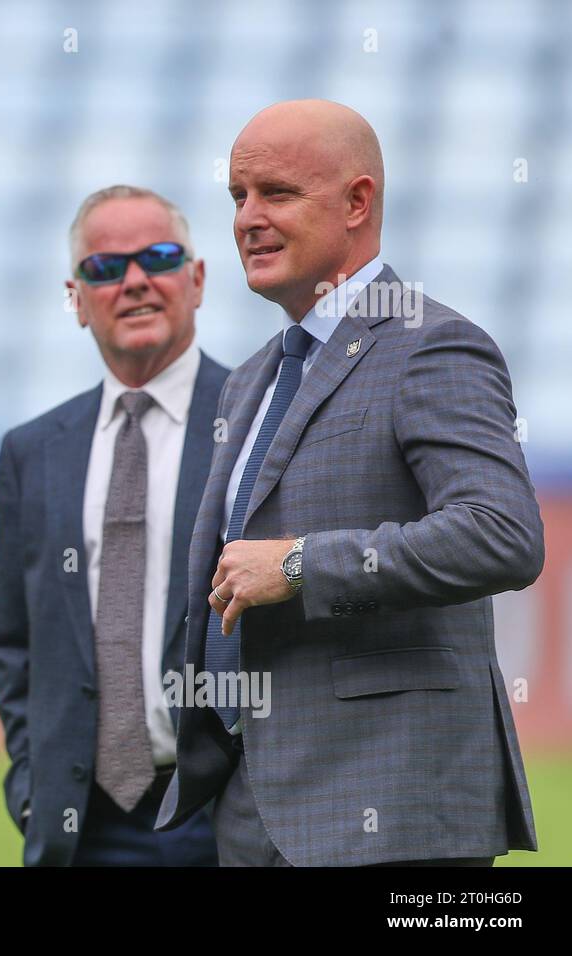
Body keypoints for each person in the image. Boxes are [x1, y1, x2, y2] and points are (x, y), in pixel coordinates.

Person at [155, 100, 544, 866]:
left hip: (392, 808)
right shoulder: (252, 380)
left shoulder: (433, 345)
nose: (248, 219)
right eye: (238, 197)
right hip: (253, 811)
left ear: (357, 202)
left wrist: (300, 563)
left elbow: (501, 535)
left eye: (277, 193)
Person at [0, 186, 227, 866]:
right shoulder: (33, 451)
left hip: (229, 818)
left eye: (157, 258)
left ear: (198, 279)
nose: (133, 282)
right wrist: (33, 788)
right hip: (82, 826)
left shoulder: (261, 423)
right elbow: (14, 643)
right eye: (104, 268)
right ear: (77, 299)